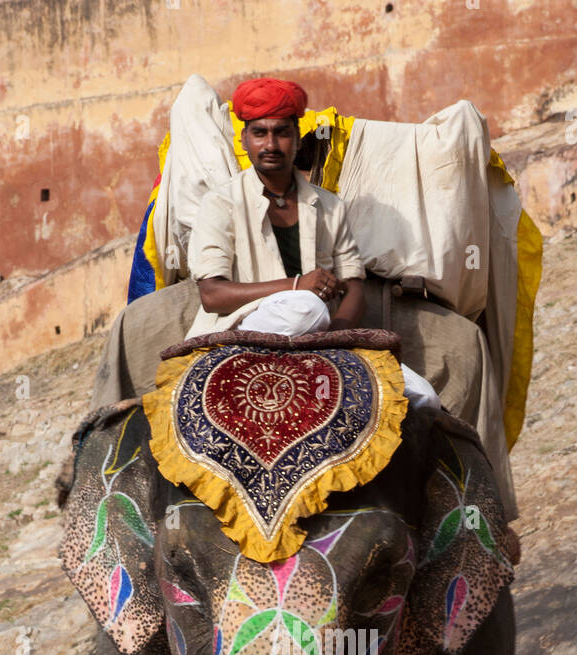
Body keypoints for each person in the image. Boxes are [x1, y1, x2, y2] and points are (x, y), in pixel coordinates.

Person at [187, 76, 442, 411]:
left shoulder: (329, 206)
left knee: (424, 397)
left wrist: (336, 336)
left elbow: (353, 285)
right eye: (260, 133)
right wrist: (296, 285)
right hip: (244, 331)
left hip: (317, 335)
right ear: (244, 139)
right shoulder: (220, 203)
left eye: (282, 132)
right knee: (304, 306)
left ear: (297, 138)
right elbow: (212, 296)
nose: (271, 144)